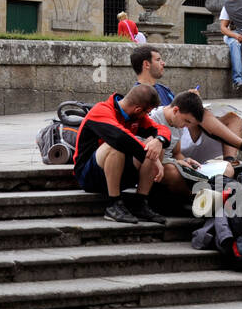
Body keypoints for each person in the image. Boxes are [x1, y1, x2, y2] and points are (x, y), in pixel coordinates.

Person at [129, 44, 242, 164]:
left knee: (232, 118)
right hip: (169, 141)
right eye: (158, 60)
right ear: (146, 64)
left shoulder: (163, 89)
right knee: (202, 114)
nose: (163, 63)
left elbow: (178, 109)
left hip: (183, 132)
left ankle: (231, 162)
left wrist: (190, 99)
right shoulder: (139, 93)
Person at [72, 84, 184, 224]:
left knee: (155, 147)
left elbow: (160, 129)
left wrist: (159, 141)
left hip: (118, 171)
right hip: (89, 176)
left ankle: (140, 203)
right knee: (115, 147)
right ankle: (114, 205)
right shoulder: (101, 110)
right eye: (147, 112)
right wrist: (153, 159)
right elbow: (120, 137)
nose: (147, 116)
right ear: (138, 109)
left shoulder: (136, 115)